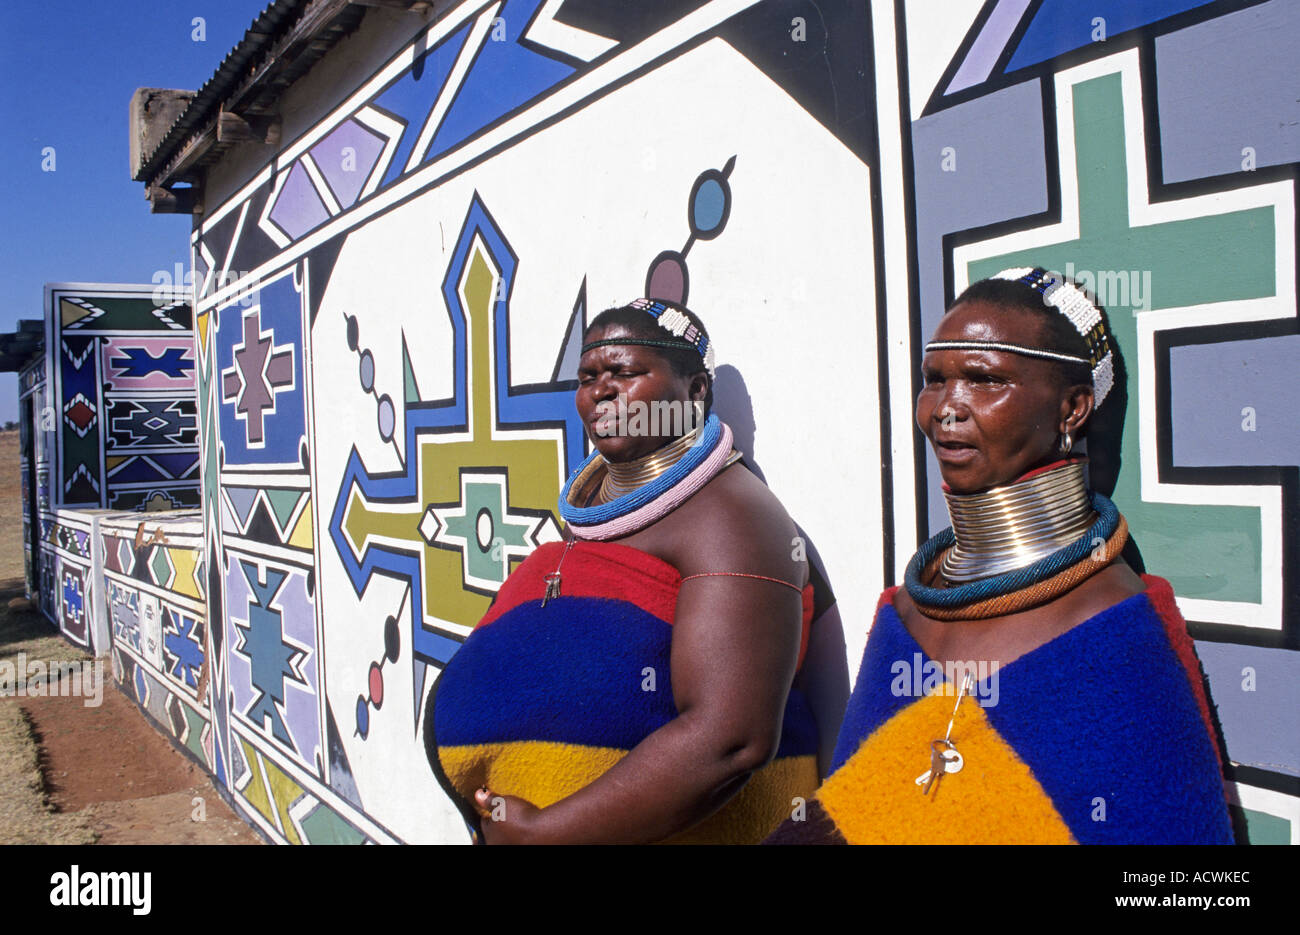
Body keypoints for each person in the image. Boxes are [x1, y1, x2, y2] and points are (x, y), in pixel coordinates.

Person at [767, 267, 1233, 844]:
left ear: (1073, 410)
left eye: (984, 380)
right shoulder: (908, 609)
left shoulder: (1108, 629)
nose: (945, 409)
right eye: (933, 380)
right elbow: (854, 810)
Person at [425, 298, 825, 843]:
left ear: (697, 391)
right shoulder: (596, 512)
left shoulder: (734, 519)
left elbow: (730, 740)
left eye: (625, 372)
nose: (601, 390)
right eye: (589, 376)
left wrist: (547, 834)